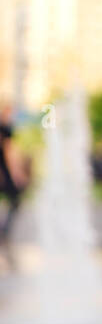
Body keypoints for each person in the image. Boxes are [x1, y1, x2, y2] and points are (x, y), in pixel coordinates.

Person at [0, 103, 29, 241]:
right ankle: (4, 230)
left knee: (15, 200)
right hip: (4, 172)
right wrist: (16, 173)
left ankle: (4, 230)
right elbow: (8, 152)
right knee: (16, 199)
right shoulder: (6, 128)